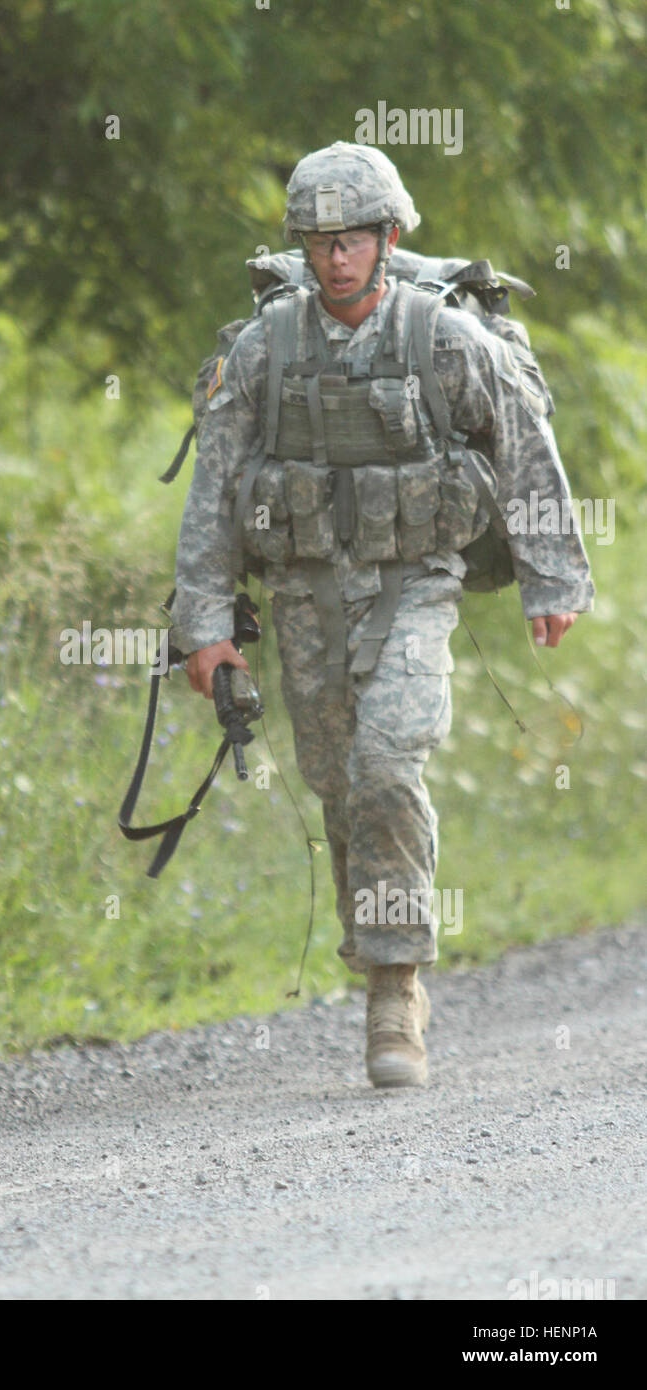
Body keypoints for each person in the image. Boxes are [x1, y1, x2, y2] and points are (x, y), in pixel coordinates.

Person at [168, 141, 594, 1088]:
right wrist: (201, 622)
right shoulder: (263, 348)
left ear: (388, 238)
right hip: (303, 593)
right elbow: (216, 487)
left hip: (414, 583)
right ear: (302, 249)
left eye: (353, 238)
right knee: (334, 780)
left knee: (388, 759)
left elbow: (524, 444)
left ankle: (396, 984)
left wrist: (552, 576)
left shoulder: (442, 339)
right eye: (318, 241)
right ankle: (379, 943)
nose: (336, 257)